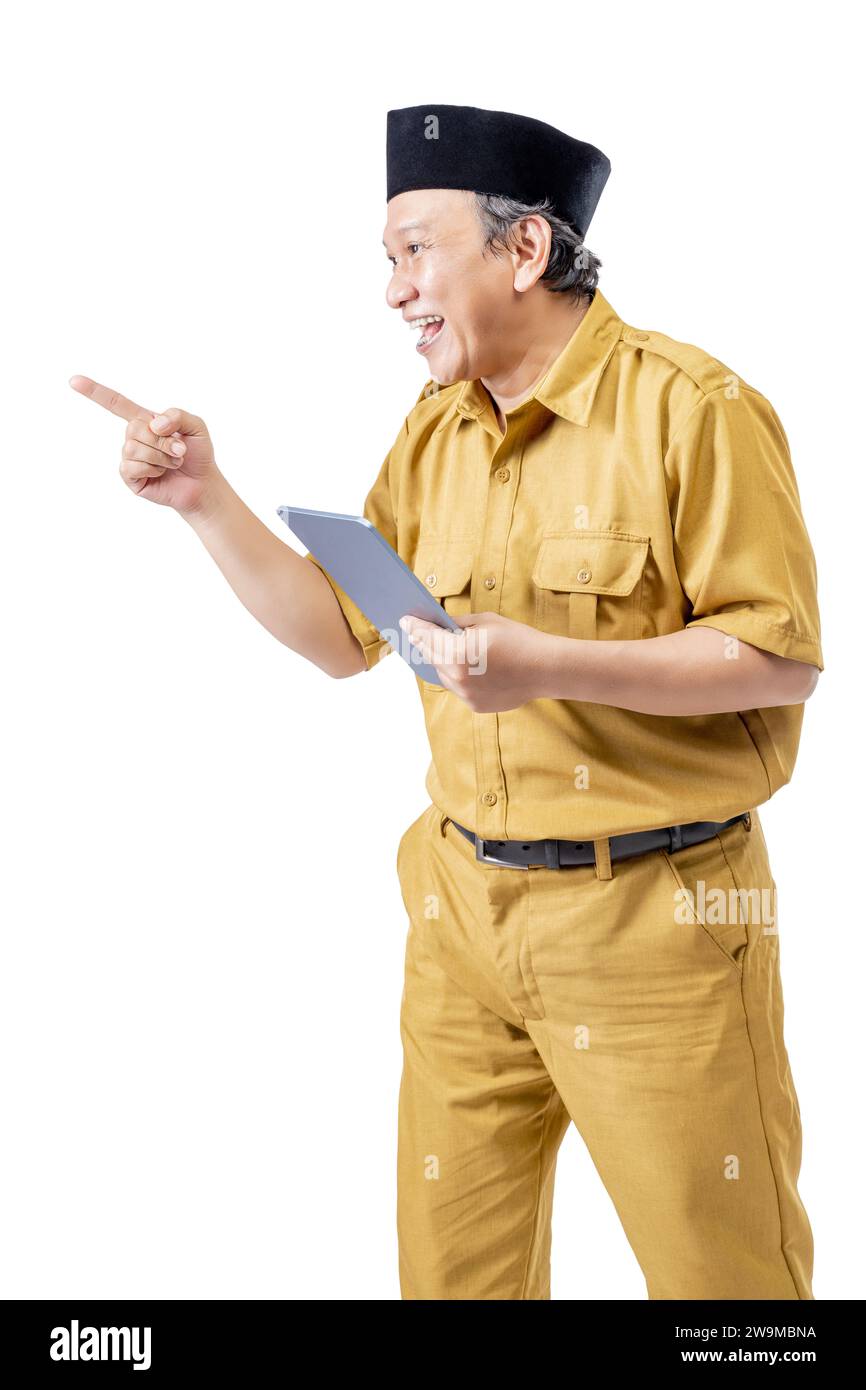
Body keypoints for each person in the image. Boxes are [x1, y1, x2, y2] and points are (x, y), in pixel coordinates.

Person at [69, 103, 823, 1301]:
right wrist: (204, 498)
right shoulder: (434, 431)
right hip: (461, 916)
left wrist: (552, 666)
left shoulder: (693, 409)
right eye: (386, 260)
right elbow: (336, 636)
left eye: (415, 250)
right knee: (453, 1285)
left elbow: (775, 658)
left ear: (522, 250)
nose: (392, 290)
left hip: (652, 927)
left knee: (725, 1294)